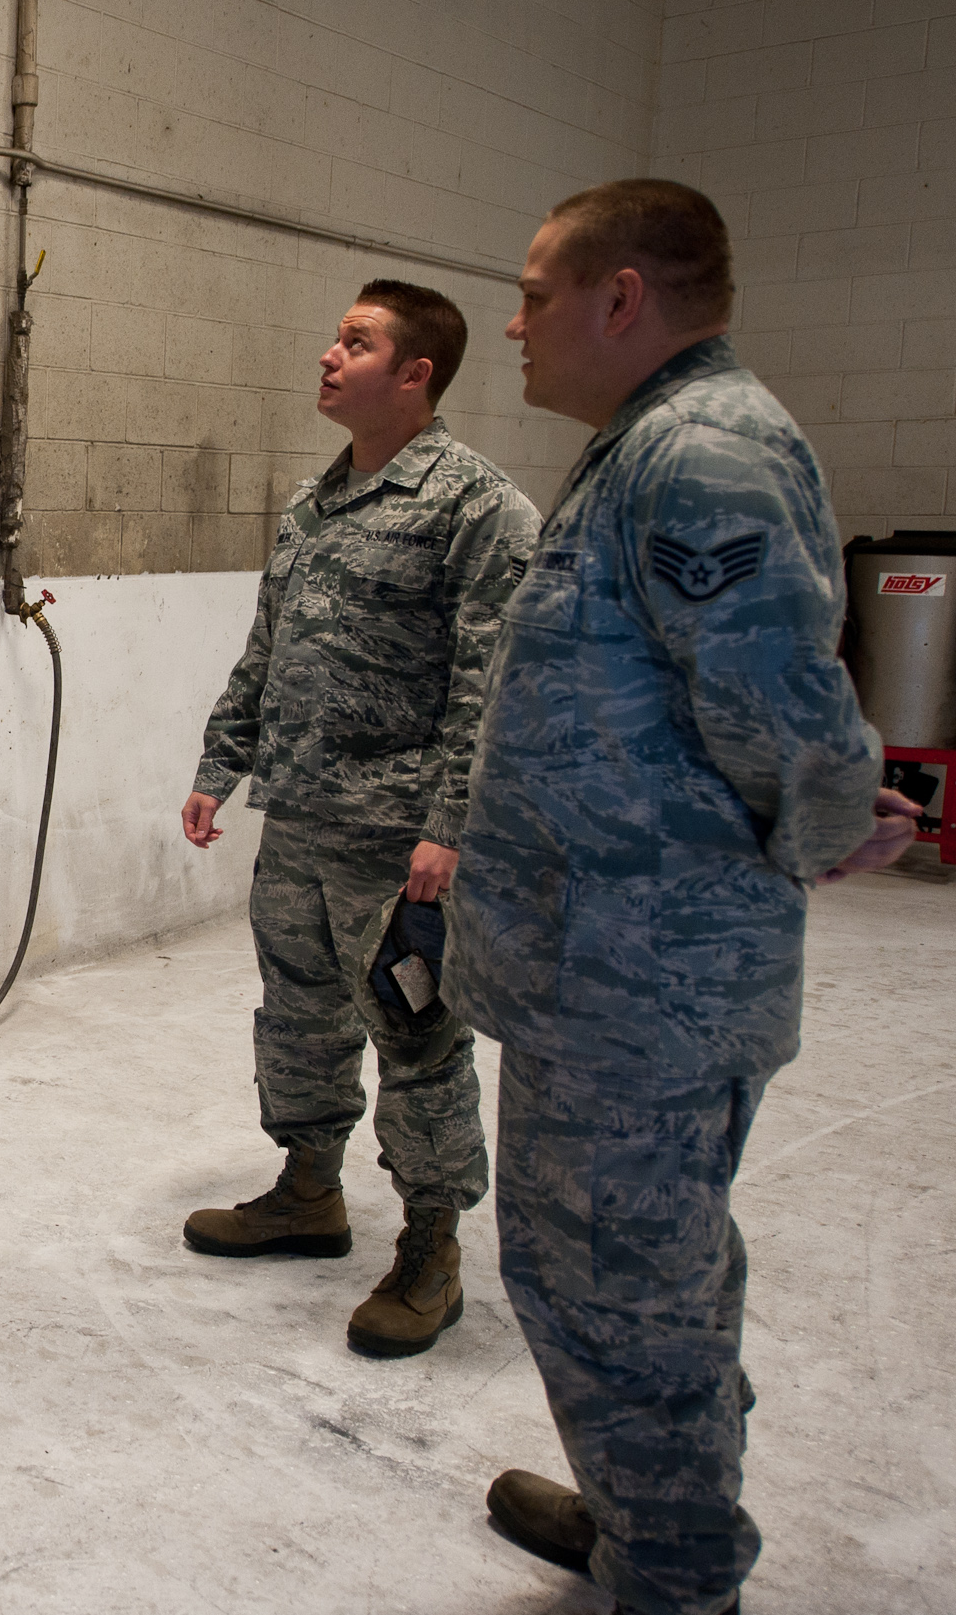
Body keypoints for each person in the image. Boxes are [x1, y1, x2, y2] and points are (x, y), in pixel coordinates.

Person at [451, 179, 922, 1615]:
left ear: (621, 299)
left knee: (618, 1291)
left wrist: (834, 819)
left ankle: (675, 1571)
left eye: (536, 293)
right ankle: (643, 1511)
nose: (515, 324)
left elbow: (786, 698)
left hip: (644, 986)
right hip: (599, 971)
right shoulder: (641, 448)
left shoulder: (700, 453)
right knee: (627, 1272)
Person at [180, 280, 542, 1357]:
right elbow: (269, 647)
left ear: (417, 371)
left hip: (405, 846)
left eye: (357, 340)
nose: (328, 354)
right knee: (297, 1018)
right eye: (335, 335)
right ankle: (308, 1189)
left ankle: (432, 1244)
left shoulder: (478, 507)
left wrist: (452, 825)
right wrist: (220, 759)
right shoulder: (314, 501)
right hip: (299, 820)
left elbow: (495, 678)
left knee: (418, 1035)